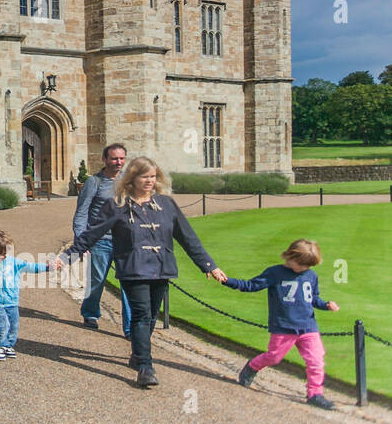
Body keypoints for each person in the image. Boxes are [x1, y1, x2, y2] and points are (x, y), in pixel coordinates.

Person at [60, 156, 226, 388]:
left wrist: (209, 265)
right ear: (132, 178)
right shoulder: (116, 204)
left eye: (152, 176)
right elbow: (92, 233)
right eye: (144, 176)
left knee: (150, 317)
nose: (149, 181)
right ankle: (145, 367)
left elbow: (188, 237)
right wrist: (67, 257)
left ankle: (138, 354)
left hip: (161, 267)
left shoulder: (166, 205)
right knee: (139, 314)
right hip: (133, 268)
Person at [222, 239, 340, 410]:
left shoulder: (311, 275)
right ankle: (252, 366)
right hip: (284, 327)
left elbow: (313, 299)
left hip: (308, 326)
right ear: (290, 257)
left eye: (309, 266)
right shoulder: (275, 273)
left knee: (316, 360)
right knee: (274, 357)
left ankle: (315, 394)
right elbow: (250, 286)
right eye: (302, 264)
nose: (305, 269)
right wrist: (226, 280)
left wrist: (326, 305)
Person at [0, 230, 61, 360]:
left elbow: (32, 267)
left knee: (13, 326)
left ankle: (8, 345)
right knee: (2, 325)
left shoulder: (14, 262)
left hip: (12, 301)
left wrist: (48, 267)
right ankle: (0, 346)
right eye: (0, 253)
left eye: (5, 253)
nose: (3, 256)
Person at [72, 143, 132, 336]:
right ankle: (90, 313)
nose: (118, 162)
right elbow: (82, 212)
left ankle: (131, 327)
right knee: (97, 280)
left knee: (129, 284)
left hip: (125, 241)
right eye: (114, 158)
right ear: (104, 160)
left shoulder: (130, 181)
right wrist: (82, 240)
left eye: (122, 158)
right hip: (100, 240)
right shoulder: (94, 182)